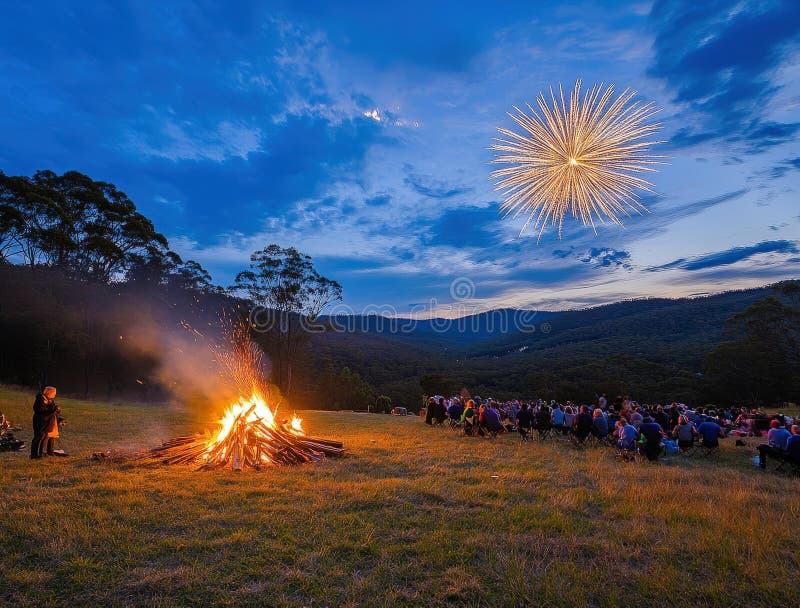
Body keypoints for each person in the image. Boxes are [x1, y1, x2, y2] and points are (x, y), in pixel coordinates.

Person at [31, 386, 63, 459]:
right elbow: (41, 412)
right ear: (49, 393)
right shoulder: (40, 400)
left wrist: (57, 411)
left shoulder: (50, 400)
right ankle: (34, 455)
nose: (55, 395)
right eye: (54, 393)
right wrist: (53, 410)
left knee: (44, 438)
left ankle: (41, 454)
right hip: (40, 422)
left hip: (48, 423)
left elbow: (52, 412)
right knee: (37, 438)